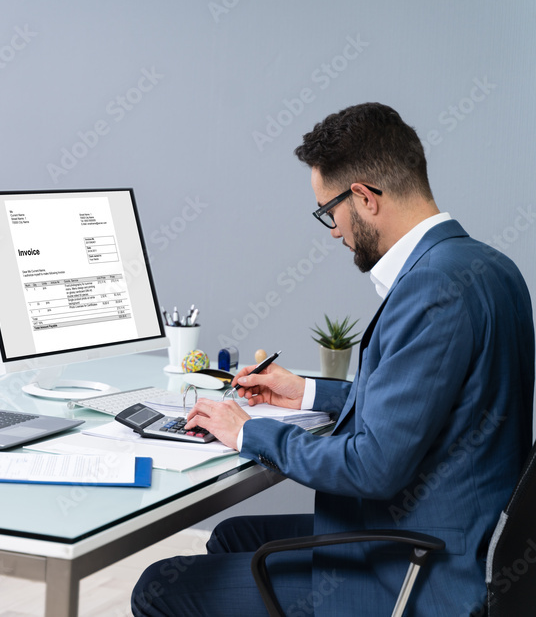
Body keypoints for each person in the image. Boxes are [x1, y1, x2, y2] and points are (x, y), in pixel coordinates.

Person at [131, 102, 534, 616]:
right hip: (445, 530)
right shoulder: (488, 266)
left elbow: (371, 468)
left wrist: (247, 432)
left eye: (329, 211)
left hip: (418, 569)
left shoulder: (434, 288)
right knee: (236, 534)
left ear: (363, 197)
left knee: (158, 586)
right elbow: (426, 403)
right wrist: (307, 392)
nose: (332, 230)